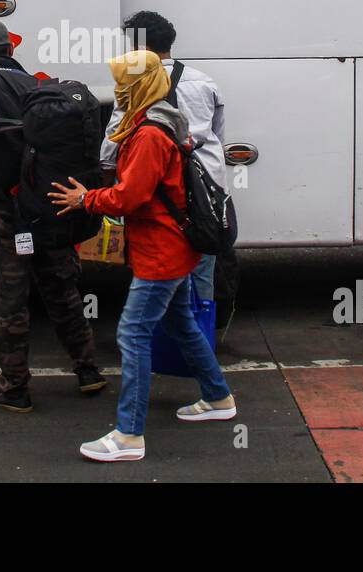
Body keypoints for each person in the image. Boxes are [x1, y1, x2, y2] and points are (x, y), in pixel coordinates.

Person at [51, 51, 236, 462]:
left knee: (133, 335)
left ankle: (129, 436)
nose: (117, 90)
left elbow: (129, 197)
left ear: (137, 86)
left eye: (122, 83)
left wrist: (86, 199)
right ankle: (218, 398)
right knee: (183, 324)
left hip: (160, 252)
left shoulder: (149, 133)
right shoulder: (161, 119)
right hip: (174, 246)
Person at [0, 19, 105, 412]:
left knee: (8, 299)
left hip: (7, 212)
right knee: (62, 290)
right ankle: (88, 370)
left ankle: (14, 387)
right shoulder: (35, 87)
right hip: (48, 206)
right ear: (11, 50)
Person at [100, 11, 235, 314]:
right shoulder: (203, 82)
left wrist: (106, 182)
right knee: (202, 264)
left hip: (161, 191)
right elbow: (217, 135)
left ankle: (164, 333)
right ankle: (202, 333)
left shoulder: (136, 82)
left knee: (158, 262)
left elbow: (114, 137)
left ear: (138, 46)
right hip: (205, 187)